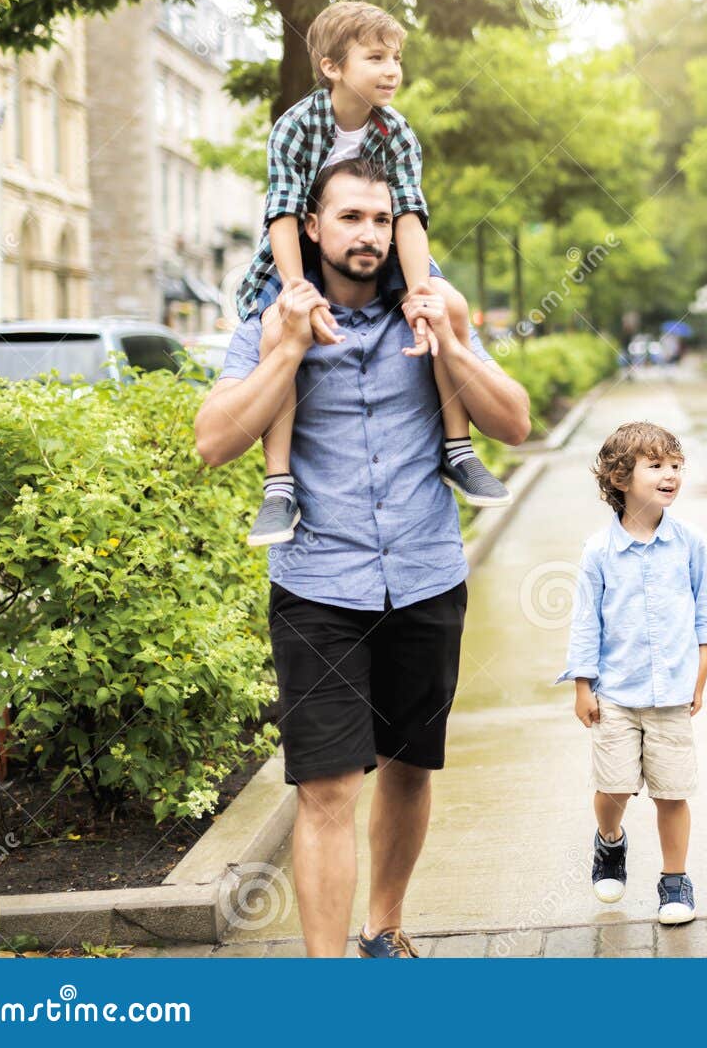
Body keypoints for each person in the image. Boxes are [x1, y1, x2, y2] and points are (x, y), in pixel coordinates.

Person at [194, 157, 532, 957]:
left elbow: (513, 423)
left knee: (409, 768)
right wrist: (286, 354)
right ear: (311, 226)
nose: (368, 235)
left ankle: (384, 929)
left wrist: (451, 340)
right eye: (349, 217)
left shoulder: (428, 312)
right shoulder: (268, 324)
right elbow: (213, 441)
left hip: (423, 573)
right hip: (318, 584)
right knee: (328, 786)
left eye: (381, 220)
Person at [236, 0, 511, 547]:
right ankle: (279, 486)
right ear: (332, 67)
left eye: (397, 59)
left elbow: (408, 218)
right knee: (278, 331)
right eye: (376, 57)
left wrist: (418, 294)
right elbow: (283, 216)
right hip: (301, 251)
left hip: (377, 247)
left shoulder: (397, 133)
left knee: (446, 308)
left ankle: (458, 451)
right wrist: (296, 289)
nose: (392, 71)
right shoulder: (296, 127)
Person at [556, 421, 707, 925]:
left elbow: (706, 617)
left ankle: (675, 882)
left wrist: (699, 678)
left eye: (676, 465)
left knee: (672, 793)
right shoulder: (598, 552)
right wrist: (583, 688)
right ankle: (610, 841)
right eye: (656, 466)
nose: (671, 474)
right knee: (614, 790)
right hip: (617, 698)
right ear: (620, 478)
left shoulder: (690, 544)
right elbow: (586, 624)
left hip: (672, 696)